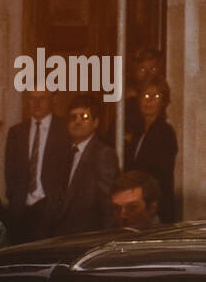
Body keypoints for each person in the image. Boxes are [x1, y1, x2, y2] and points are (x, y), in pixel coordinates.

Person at [4, 91, 70, 242]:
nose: (37, 103)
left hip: (51, 209)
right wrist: (14, 198)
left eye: (42, 98)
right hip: (21, 210)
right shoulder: (16, 132)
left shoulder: (64, 129)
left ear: (53, 100)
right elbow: (9, 171)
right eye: (32, 99)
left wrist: (60, 202)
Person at [50, 96, 119, 236]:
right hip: (62, 238)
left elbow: (109, 205)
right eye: (73, 117)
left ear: (95, 123)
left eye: (84, 116)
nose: (77, 121)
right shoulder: (64, 154)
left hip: (90, 238)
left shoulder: (103, 154)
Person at [126, 78, 177, 223]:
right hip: (136, 206)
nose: (149, 101)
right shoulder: (137, 131)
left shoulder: (165, 132)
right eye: (145, 96)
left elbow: (158, 175)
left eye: (155, 97)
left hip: (153, 208)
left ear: (163, 102)